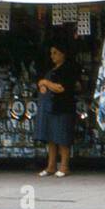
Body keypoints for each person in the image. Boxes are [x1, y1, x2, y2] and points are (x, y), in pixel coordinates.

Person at [33, 42, 77, 177]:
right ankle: (51, 166)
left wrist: (46, 83)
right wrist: (43, 86)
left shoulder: (68, 69)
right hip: (49, 107)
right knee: (51, 138)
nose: (52, 56)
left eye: (55, 53)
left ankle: (64, 166)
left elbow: (60, 88)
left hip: (62, 107)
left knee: (62, 138)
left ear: (63, 54)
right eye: (51, 53)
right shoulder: (51, 70)